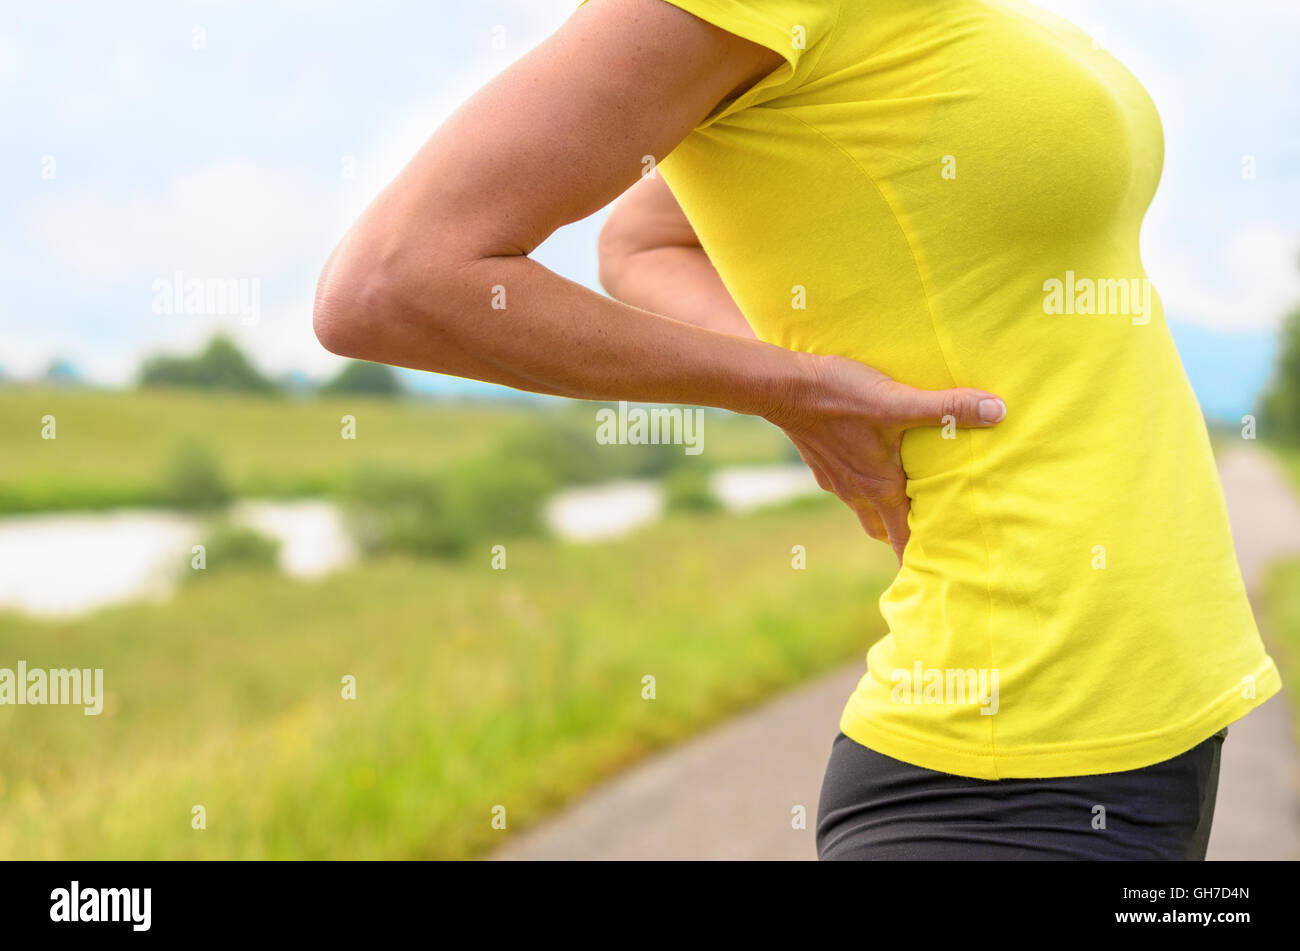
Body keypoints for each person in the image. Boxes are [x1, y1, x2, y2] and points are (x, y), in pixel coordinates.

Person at [313, 0, 1281, 859]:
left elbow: (650, 235)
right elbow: (395, 280)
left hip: (1151, 733)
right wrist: (791, 385)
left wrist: (797, 380)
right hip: (1001, 773)